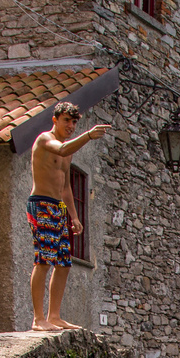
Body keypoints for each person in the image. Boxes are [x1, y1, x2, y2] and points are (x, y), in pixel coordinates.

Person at [27, 101, 111, 331]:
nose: (71, 126)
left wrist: (73, 216)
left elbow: (65, 187)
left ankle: (54, 316)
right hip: (41, 204)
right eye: (66, 121)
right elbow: (62, 149)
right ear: (55, 120)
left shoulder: (68, 151)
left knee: (63, 262)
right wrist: (89, 136)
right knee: (43, 260)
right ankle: (38, 319)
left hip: (58, 207)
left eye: (74, 122)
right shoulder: (45, 139)